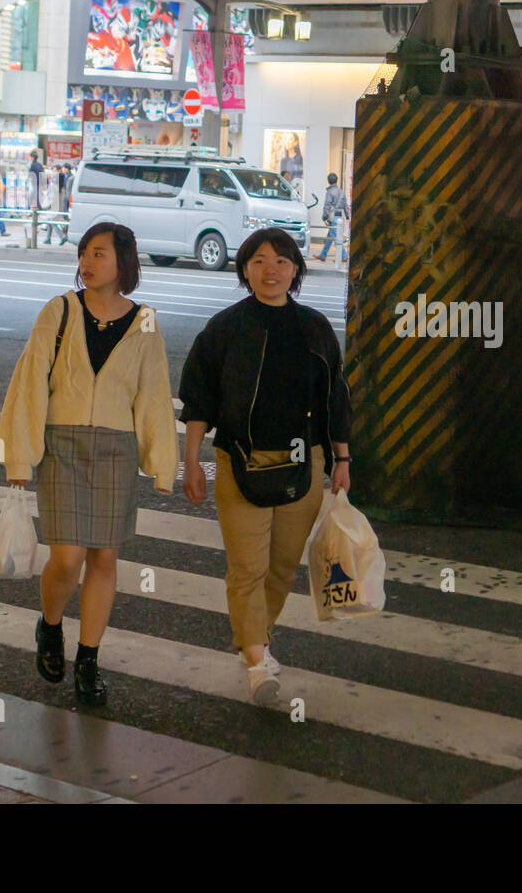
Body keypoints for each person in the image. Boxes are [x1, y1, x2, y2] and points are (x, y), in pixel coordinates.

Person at [0, 223, 178, 705]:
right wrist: (19, 454)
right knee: (67, 557)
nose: (88, 262)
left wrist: (162, 462)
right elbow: (29, 383)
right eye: (84, 253)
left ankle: (89, 659)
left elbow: (155, 396)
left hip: (116, 449)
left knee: (104, 557)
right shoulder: (58, 311)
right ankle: (51, 625)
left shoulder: (144, 322)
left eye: (99, 254)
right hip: (64, 445)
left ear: (124, 263)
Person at [178, 227, 352, 705]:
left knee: (281, 568)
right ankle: (257, 659)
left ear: (295, 269)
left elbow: (336, 397)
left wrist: (341, 459)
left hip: (303, 466)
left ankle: (256, 636)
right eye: (257, 260)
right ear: (244, 269)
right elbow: (198, 399)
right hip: (239, 463)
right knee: (247, 567)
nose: (269, 270)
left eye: (279, 261)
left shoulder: (315, 328)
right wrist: (191, 459)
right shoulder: (224, 329)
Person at [314, 174, 349, 264]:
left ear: (328, 181)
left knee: (336, 238)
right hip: (339, 217)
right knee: (330, 237)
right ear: (336, 180)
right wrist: (347, 216)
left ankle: (344, 256)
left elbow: (327, 206)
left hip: (332, 218)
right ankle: (323, 255)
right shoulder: (341, 192)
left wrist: (324, 218)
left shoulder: (329, 192)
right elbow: (345, 206)